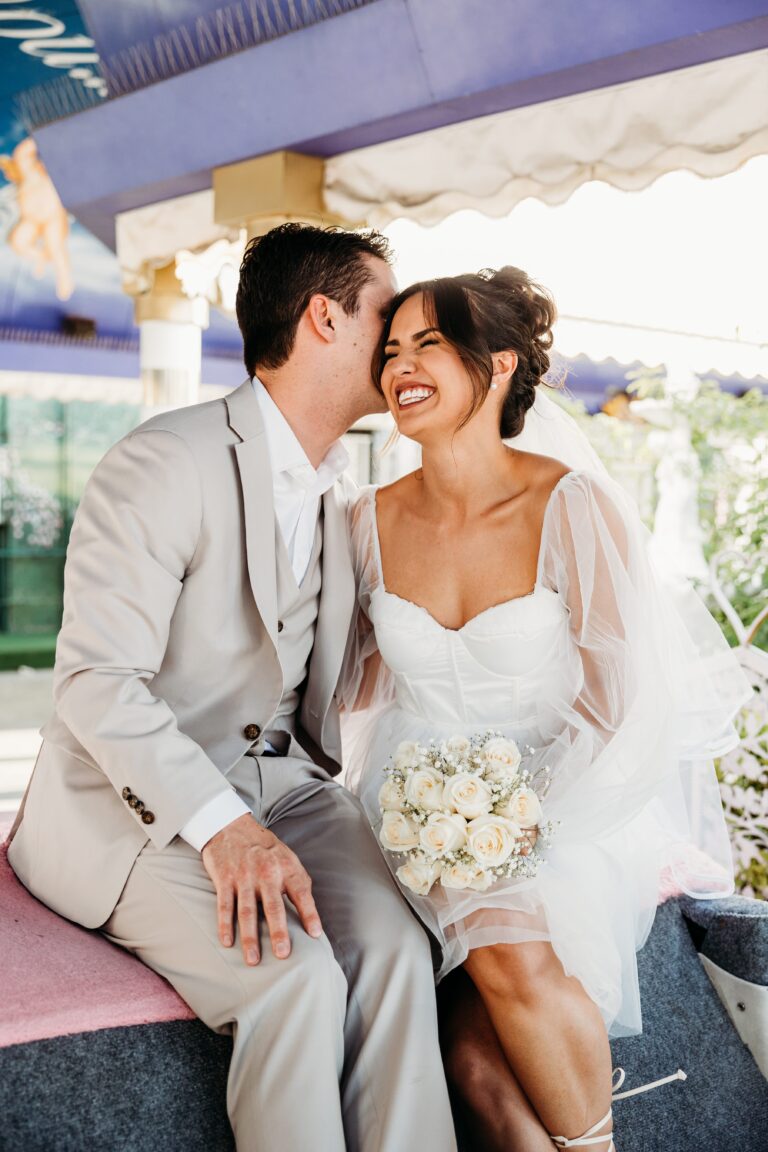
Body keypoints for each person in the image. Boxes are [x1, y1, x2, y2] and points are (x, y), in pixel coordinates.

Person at [7, 224, 457, 1152]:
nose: (408, 331)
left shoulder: (350, 492)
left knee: (399, 951)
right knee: (291, 980)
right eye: (388, 313)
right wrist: (221, 828)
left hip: (288, 788)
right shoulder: (163, 462)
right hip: (129, 811)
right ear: (325, 318)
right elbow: (97, 683)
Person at [341, 267, 751, 1152]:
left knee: (503, 954)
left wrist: (512, 806)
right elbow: (353, 690)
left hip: (561, 798)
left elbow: (612, 694)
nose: (400, 366)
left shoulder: (571, 503)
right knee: (478, 1074)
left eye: (429, 345)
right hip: (404, 802)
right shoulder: (363, 521)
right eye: (391, 349)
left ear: (496, 366)